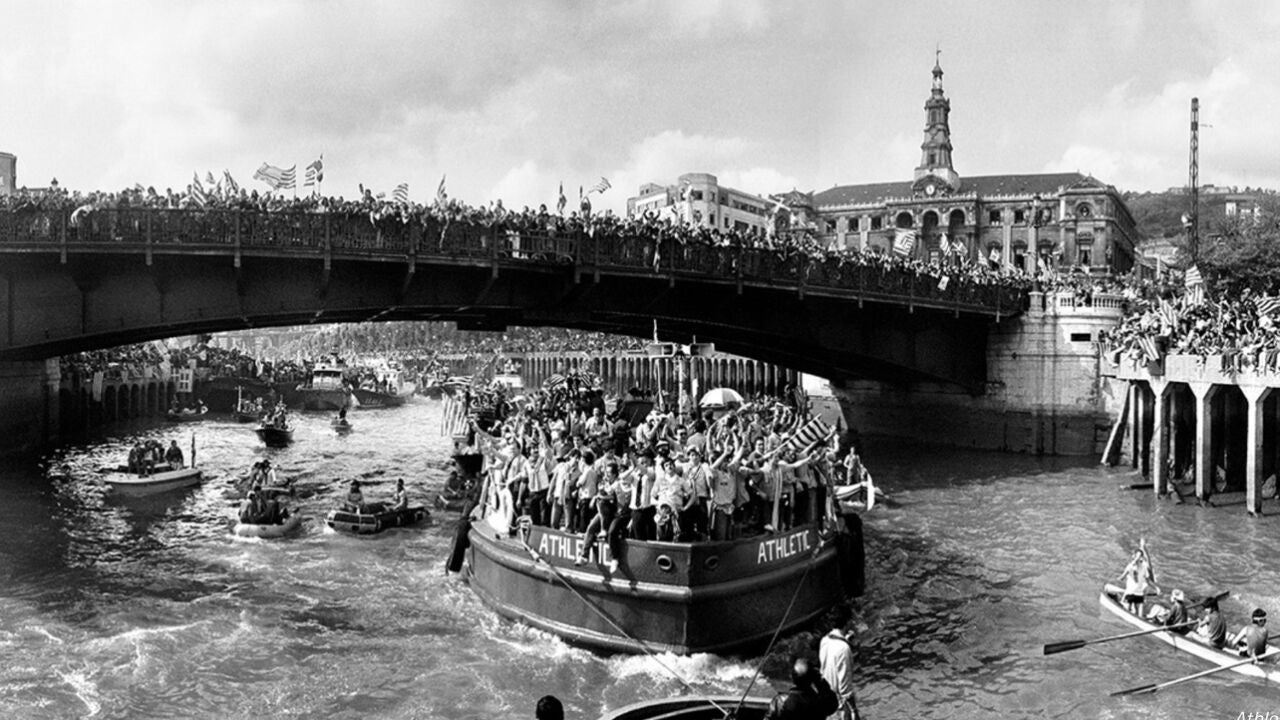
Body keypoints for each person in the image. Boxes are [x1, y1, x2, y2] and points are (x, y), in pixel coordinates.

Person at [819, 605, 862, 720]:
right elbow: (845, 689)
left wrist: (846, 641)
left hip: (826, 699)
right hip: (840, 706)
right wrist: (854, 711)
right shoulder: (843, 649)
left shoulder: (825, 640)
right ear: (847, 622)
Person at [763, 656, 838, 720]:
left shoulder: (780, 701)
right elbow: (832, 703)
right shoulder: (820, 702)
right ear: (812, 679)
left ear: (792, 677)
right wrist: (819, 680)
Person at [1118, 539, 1158, 614]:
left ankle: (1133, 611)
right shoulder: (1132, 566)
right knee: (1135, 605)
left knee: (1135, 607)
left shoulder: (1141, 566)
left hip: (1137, 592)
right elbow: (1124, 575)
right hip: (1134, 592)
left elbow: (1149, 578)